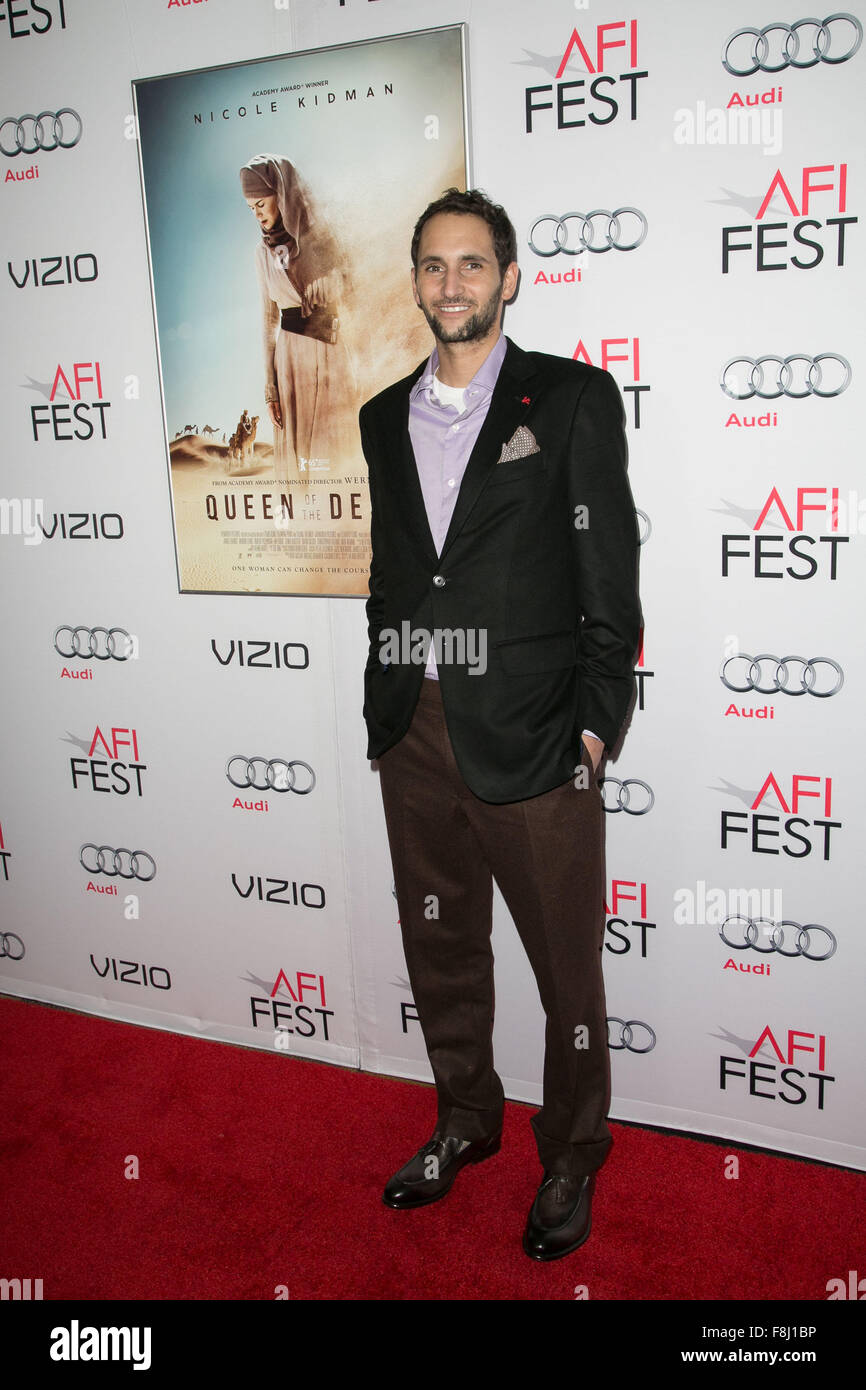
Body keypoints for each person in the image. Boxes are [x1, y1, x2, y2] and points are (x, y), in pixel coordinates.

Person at [360, 188, 641, 1260]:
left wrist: (594, 724)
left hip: (533, 732)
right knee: (439, 944)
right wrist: (387, 691)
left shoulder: (566, 398)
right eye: (432, 265)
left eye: (470, 265)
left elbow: (604, 574)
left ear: (508, 277)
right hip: (414, 725)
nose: (449, 285)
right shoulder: (383, 415)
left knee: (566, 964)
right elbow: (400, 571)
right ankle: (463, 1119)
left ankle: (571, 1149)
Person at [239, 154, 357, 479]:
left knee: (335, 456)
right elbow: (268, 320)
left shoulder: (322, 237)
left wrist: (332, 283)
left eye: (261, 203)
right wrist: (271, 388)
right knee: (301, 464)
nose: (257, 214)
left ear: (281, 194)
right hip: (290, 363)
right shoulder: (262, 254)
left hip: (330, 352)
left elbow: (354, 285)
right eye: (251, 208)